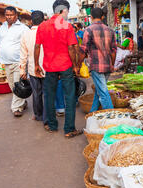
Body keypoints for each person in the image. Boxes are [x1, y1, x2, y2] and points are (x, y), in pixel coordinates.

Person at [34, 0, 82, 138]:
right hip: (65, 66)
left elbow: (37, 46)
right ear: (64, 10)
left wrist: (36, 64)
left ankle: (52, 125)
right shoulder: (66, 26)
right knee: (70, 97)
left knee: (49, 95)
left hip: (49, 66)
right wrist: (76, 65)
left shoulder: (43, 26)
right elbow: (72, 47)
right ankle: (69, 129)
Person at [0, 7, 29, 117]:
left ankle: (17, 108)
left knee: (17, 84)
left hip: (18, 62)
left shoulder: (23, 28)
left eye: (11, 15)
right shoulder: (3, 27)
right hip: (6, 62)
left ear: (16, 15)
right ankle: (22, 101)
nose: (8, 17)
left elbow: (29, 43)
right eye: (7, 15)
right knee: (12, 86)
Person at [79, 7, 116, 113]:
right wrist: (112, 65)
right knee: (99, 91)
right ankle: (93, 113)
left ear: (91, 17)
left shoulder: (89, 30)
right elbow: (114, 51)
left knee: (103, 92)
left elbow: (83, 50)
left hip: (96, 66)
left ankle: (111, 117)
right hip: (108, 65)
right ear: (103, 17)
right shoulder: (110, 30)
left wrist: (77, 65)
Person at [19, 10, 46, 122]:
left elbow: (23, 55)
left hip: (32, 69)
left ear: (31, 21)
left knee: (36, 93)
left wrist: (22, 71)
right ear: (43, 21)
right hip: (47, 68)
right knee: (48, 93)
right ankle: (47, 115)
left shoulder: (26, 35)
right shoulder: (47, 33)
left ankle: (38, 115)